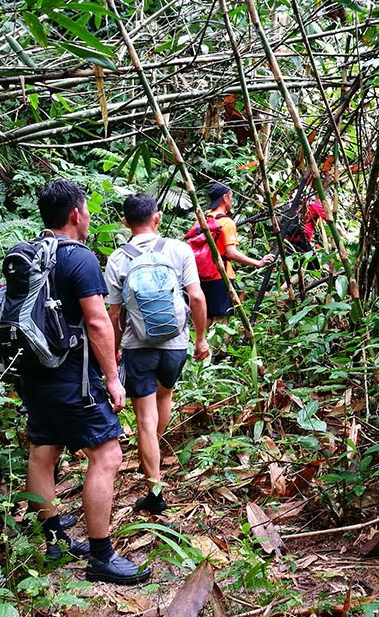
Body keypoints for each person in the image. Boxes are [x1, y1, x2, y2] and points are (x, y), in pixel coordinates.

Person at [18, 180, 150, 585]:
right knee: (107, 456)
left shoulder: (25, 253)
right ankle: (101, 556)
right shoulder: (80, 259)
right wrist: (113, 379)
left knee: (43, 450)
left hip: (30, 373)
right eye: (87, 209)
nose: (89, 216)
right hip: (73, 377)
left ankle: (55, 540)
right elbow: (97, 321)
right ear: (76, 214)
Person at [104, 193, 210, 516]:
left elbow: (113, 315)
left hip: (138, 348)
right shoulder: (179, 250)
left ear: (125, 223)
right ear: (158, 217)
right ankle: (153, 454)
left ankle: (155, 491)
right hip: (176, 345)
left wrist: (114, 351)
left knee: (144, 419)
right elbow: (197, 298)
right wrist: (201, 340)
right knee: (165, 396)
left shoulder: (118, 260)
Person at [201, 183, 276, 320]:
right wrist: (257, 263)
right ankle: (220, 343)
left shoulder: (203, 219)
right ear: (225, 197)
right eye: (231, 196)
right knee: (221, 319)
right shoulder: (226, 222)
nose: (232, 200)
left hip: (202, 274)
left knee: (206, 316)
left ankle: (200, 341)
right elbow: (231, 253)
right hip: (220, 275)